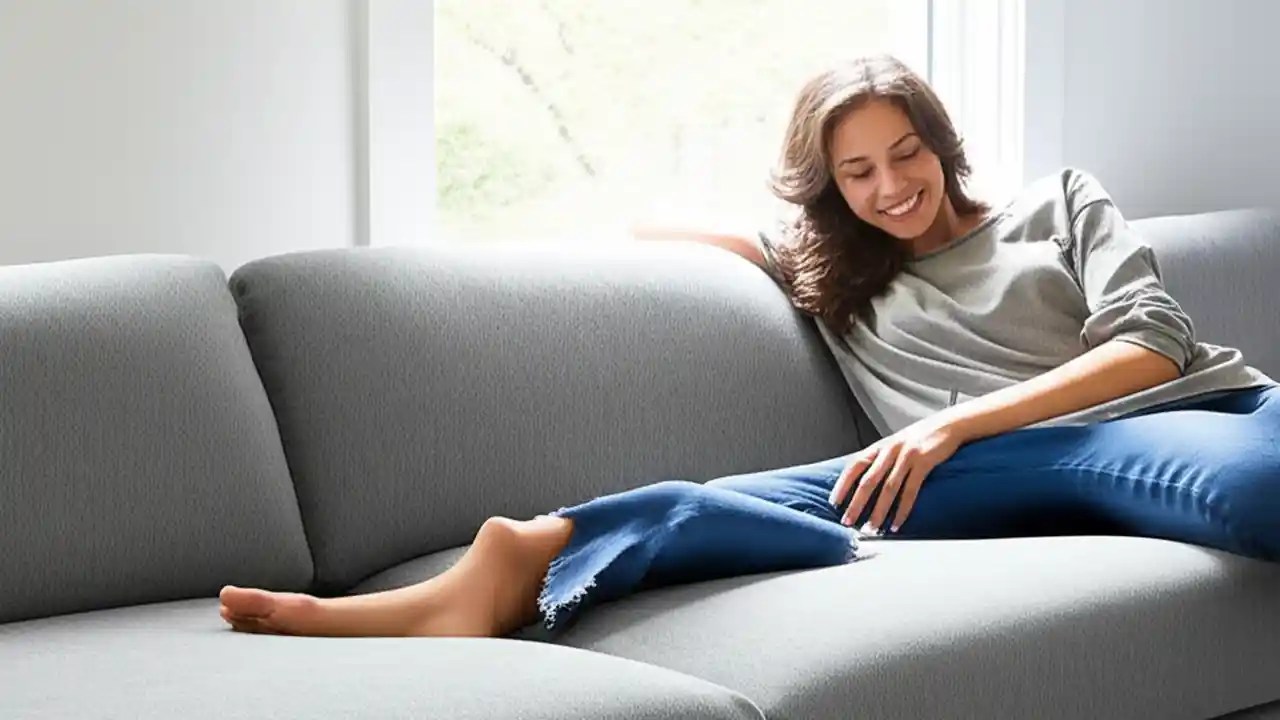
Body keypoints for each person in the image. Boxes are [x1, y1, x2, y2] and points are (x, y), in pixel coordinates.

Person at [218, 54, 1280, 639]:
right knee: (774, 512)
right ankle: (514, 563)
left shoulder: (1057, 200)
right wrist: (775, 240)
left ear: (940, 142)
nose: (889, 187)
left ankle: (532, 558)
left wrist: (951, 421)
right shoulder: (839, 274)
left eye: (903, 153)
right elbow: (650, 228)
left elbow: (1154, 345)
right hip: (971, 488)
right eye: (855, 172)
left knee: (1257, 497)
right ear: (830, 187)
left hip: (1191, 423)